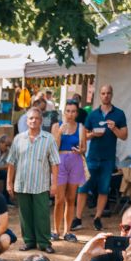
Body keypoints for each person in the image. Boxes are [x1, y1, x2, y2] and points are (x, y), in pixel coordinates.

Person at [6, 106, 59, 251]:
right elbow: (11, 162)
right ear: (26, 120)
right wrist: (9, 182)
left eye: (36, 118)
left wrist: (54, 184)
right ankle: (29, 241)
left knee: (42, 215)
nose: (33, 121)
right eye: (31, 118)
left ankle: (44, 243)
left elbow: (54, 163)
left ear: (41, 121)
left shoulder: (48, 139)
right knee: (25, 215)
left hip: (40, 184)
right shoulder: (18, 139)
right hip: (22, 184)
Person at [81, 84, 128, 232]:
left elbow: (124, 136)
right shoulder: (93, 114)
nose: (105, 96)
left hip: (108, 158)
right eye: (103, 93)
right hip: (92, 157)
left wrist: (114, 128)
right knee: (83, 187)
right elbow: (84, 136)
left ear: (111, 95)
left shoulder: (119, 114)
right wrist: (93, 134)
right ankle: (77, 218)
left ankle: (97, 218)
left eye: (108, 93)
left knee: (103, 189)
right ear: (99, 96)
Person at [51, 98, 87, 241]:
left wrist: (80, 150)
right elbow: (53, 146)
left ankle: (67, 231)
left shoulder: (81, 127)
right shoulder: (56, 126)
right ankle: (56, 230)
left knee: (71, 198)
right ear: (64, 112)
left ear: (76, 113)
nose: (70, 114)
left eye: (73, 111)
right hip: (60, 161)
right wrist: (59, 132)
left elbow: (84, 147)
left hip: (75, 161)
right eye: (68, 111)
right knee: (59, 199)